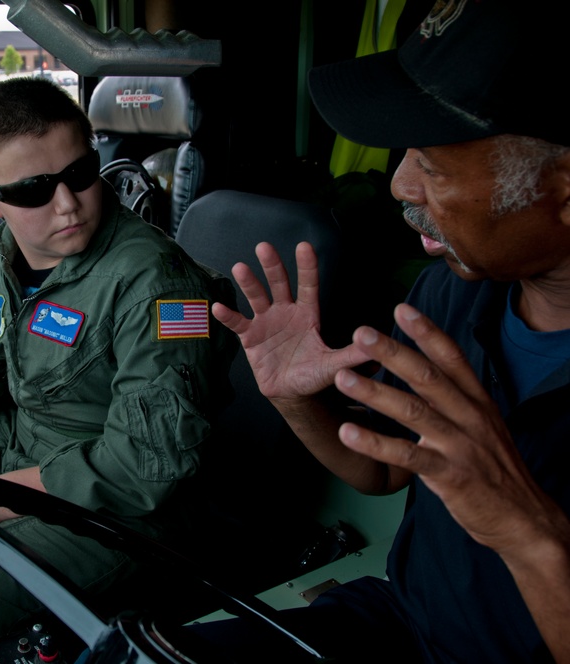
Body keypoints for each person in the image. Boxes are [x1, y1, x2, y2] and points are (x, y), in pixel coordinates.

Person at [203, 3, 570, 663]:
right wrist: (293, 397)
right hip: (394, 626)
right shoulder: (454, 293)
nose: (400, 183)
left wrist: (528, 532)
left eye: (430, 163)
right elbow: (380, 470)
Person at [0, 76, 237, 653]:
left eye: (79, 173)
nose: (67, 204)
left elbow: (150, 463)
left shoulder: (167, 289)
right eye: (34, 191)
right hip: (20, 447)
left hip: (133, 503)